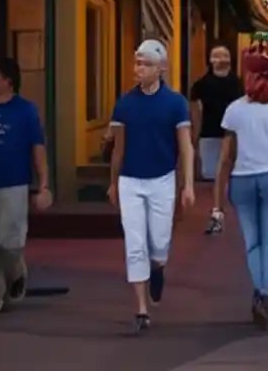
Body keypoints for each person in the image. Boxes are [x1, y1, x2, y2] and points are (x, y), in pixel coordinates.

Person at [108, 40, 195, 334]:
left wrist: (189, 185)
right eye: (136, 63)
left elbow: (186, 147)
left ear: (160, 68)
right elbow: (118, 148)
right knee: (135, 245)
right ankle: (141, 310)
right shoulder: (125, 103)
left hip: (162, 180)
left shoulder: (175, 103)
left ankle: (158, 269)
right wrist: (113, 182)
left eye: (144, 64)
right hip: (130, 180)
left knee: (159, 244)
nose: (138, 69)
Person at [213, 54, 268, 329]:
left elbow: (226, 158)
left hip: (242, 180)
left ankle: (259, 290)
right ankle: (264, 294)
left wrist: (217, 199)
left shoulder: (234, 110)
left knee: (253, 242)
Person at [0, 57, 50, 322]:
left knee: (9, 244)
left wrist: (43, 185)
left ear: (8, 81)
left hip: (13, 184)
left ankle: (16, 273)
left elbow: (37, 148)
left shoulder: (25, 111)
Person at [189, 45, 242, 193]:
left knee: (231, 177)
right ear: (210, 60)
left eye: (224, 56)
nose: (221, 60)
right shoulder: (200, 85)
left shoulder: (238, 84)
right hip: (209, 135)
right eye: (217, 56)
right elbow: (195, 112)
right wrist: (195, 138)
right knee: (210, 178)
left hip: (233, 136)